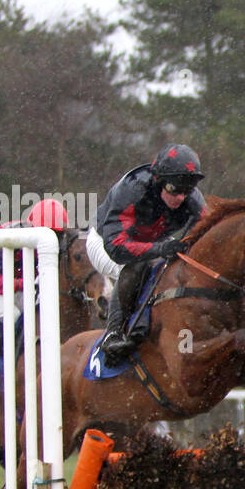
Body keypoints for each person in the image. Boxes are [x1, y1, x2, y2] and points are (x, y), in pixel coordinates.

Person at [87, 143, 207, 366]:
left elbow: (208, 234)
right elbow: (117, 248)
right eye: (174, 189)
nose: (180, 197)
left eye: (186, 191)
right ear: (159, 180)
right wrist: (160, 249)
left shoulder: (192, 198)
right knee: (136, 267)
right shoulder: (133, 190)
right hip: (104, 241)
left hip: (152, 242)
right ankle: (113, 334)